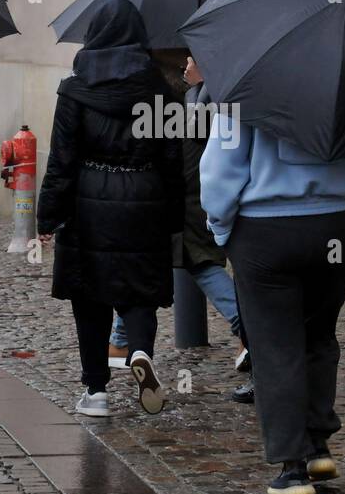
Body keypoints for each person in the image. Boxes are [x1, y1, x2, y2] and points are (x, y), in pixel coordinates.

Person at [201, 115, 345, 494]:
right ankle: (318, 446)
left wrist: (221, 229)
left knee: (275, 346)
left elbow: (219, 172)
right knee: (319, 334)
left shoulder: (245, 86)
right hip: (338, 223)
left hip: (266, 229)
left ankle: (292, 468)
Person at [37, 0, 183, 418]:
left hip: (89, 199)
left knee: (89, 295)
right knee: (140, 291)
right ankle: (139, 352)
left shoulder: (74, 89)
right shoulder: (161, 91)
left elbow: (61, 159)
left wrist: (48, 215)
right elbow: (173, 160)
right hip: (145, 197)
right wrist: (173, 216)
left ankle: (96, 391)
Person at [108, 54, 252, 402]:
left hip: (186, 198)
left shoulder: (201, 95)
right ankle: (119, 343)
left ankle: (249, 330)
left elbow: (202, 136)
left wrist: (201, 82)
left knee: (196, 263)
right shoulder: (187, 95)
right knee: (178, 263)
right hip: (183, 197)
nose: (188, 62)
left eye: (195, 59)